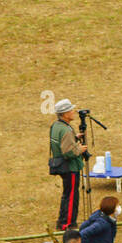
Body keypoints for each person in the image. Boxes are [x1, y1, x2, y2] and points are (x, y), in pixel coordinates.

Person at [48, 98, 87, 231]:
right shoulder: (66, 130)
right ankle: (68, 224)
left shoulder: (57, 126)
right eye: (70, 110)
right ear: (64, 114)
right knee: (71, 197)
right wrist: (79, 149)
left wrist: (74, 137)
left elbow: (60, 142)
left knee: (67, 194)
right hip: (70, 168)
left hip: (63, 167)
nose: (73, 111)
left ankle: (62, 220)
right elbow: (68, 152)